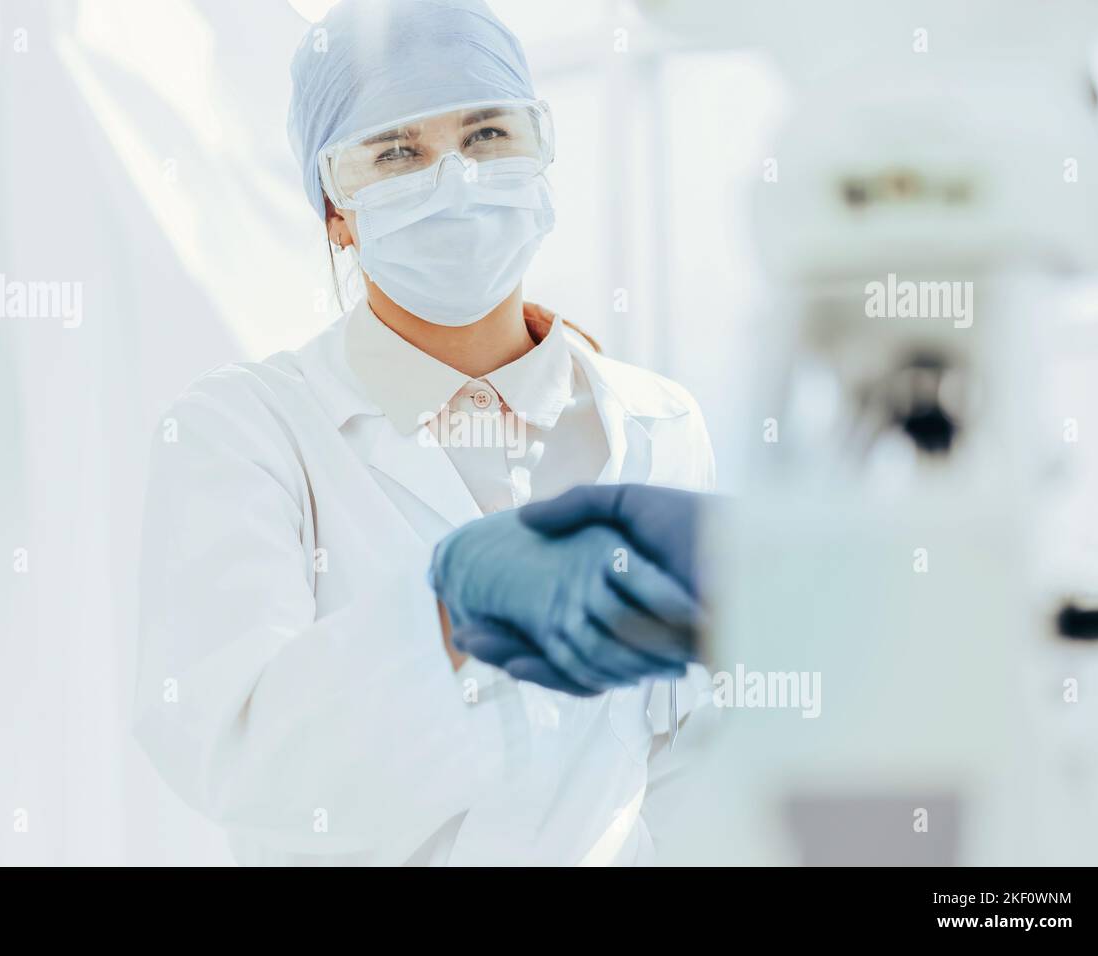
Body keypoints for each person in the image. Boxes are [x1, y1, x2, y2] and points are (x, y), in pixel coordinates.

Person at [135, 0, 715, 866]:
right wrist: (451, 620)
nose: (456, 178)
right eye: (399, 150)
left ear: (538, 155)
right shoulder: (243, 430)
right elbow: (229, 744)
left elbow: (698, 767)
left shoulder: (657, 424)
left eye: (487, 134)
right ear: (335, 207)